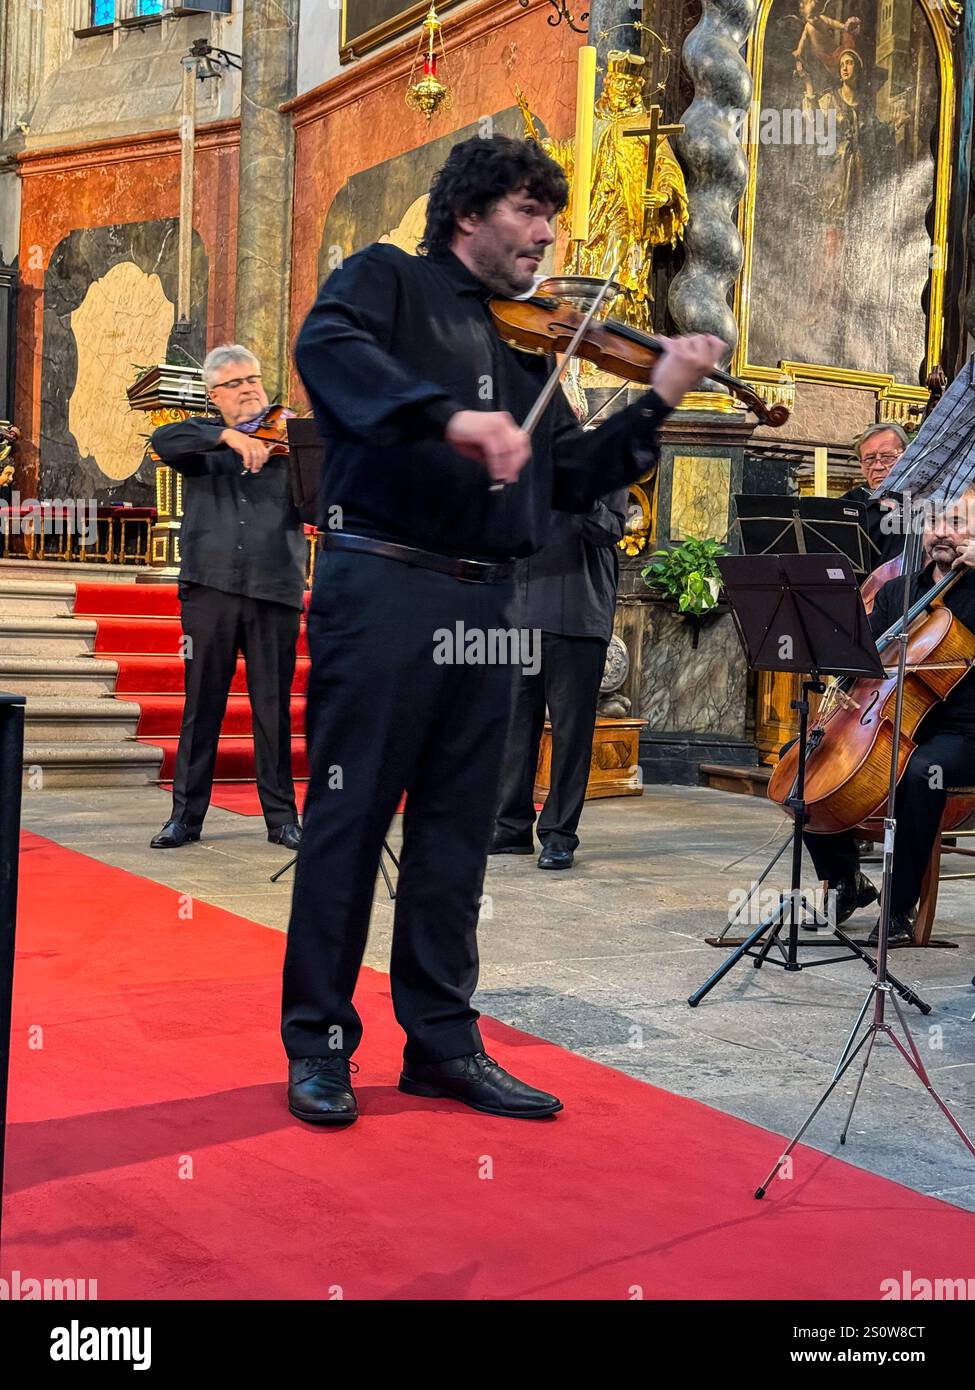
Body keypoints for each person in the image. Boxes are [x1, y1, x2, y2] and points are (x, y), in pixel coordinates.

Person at [283, 134, 724, 1126]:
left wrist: (655, 399)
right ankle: (318, 1039)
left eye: (551, 216)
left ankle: (441, 1040)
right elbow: (328, 351)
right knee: (351, 823)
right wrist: (447, 419)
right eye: (530, 211)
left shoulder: (526, 347)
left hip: (492, 604)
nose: (546, 234)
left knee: (456, 834)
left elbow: (569, 473)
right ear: (468, 213)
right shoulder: (384, 280)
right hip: (384, 584)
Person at [148, 346, 304, 852]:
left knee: (272, 709)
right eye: (235, 383)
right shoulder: (197, 439)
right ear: (215, 395)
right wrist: (229, 436)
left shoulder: (293, 436)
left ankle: (282, 820)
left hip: (273, 588)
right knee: (203, 706)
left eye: (254, 379)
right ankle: (185, 819)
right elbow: (162, 439)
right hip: (210, 587)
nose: (249, 388)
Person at [803, 490, 975, 945]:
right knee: (802, 762)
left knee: (918, 774)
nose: (942, 532)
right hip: (891, 719)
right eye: (935, 522)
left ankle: (898, 907)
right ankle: (845, 881)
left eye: (957, 523)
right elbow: (865, 658)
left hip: (962, 731)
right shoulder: (899, 591)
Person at [490, 487, 628, 869]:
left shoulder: (601, 460)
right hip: (517, 611)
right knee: (514, 728)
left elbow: (609, 529)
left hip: (577, 613)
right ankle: (510, 825)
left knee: (570, 733)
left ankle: (559, 834)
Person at [842, 421, 909, 569]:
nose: (878, 466)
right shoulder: (845, 505)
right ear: (861, 465)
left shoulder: (925, 500)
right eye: (870, 459)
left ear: (906, 457)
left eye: (887, 457)